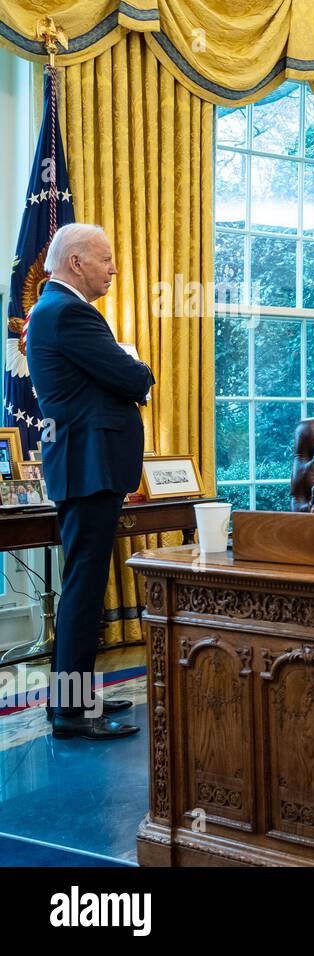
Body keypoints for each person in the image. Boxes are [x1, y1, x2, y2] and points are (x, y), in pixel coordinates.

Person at [25, 223, 155, 740]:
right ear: (76, 262)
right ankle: (71, 713)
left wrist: (128, 367)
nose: (113, 269)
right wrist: (137, 367)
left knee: (84, 582)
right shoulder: (71, 313)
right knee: (82, 586)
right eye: (106, 259)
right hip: (88, 464)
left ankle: (76, 699)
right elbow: (132, 378)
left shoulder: (54, 312)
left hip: (85, 463)